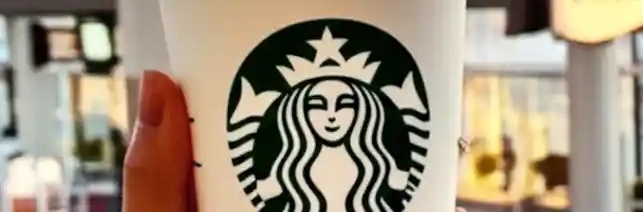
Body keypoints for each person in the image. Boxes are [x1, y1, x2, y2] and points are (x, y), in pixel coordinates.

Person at [124, 72, 465, 212]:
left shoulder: (390, 178)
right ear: (299, 116)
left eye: (344, 105)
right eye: (318, 106)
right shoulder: (274, 183)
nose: (331, 116)